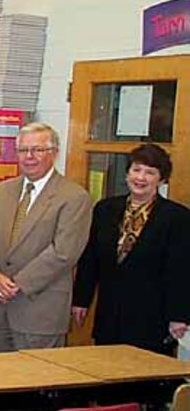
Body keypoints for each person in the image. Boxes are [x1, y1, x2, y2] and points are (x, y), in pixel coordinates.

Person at [0, 122, 92, 411]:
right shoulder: (3, 190)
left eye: (38, 149)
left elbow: (64, 252)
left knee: (33, 389)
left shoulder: (74, 197)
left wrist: (18, 284)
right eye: (24, 149)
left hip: (38, 308)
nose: (29, 156)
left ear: (53, 152)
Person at [72, 143, 189, 357]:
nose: (141, 178)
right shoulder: (105, 209)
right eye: (136, 170)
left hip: (152, 318)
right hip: (109, 316)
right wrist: (81, 300)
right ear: (127, 174)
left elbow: (180, 271)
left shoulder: (177, 217)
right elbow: (90, 259)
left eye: (150, 172)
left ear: (162, 179)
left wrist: (179, 315)